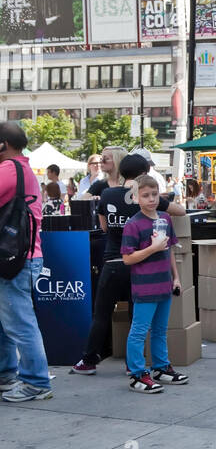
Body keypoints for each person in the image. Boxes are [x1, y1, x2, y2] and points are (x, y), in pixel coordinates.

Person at [71, 154, 184, 376]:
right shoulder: (149, 197)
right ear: (144, 173)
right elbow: (179, 211)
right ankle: (134, 364)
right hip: (141, 263)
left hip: (113, 261)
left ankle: (89, 359)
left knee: (102, 312)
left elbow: (103, 227)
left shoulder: (107, 194)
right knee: (138, 317)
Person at [121, 175, 189, 392]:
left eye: (154, 194)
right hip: (144, 286)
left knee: (160, 329)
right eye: (145, 195)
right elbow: (127, 258)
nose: (151, 199)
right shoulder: (133, 225)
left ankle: (160, 366)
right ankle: (137, 373)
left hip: (163, 284)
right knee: (139, 330)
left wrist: (175, 277)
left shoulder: (165, 219)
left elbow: (168, 250)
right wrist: (152, 248)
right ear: (135, 197)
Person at [0, 121, 52, 402]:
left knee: (19, 323)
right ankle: (7, 376)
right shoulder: (21, 168)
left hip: (15, 259)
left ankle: (35, 382)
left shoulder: (9, 170)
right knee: (7, 322)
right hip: (19, 257)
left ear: (2, 145)